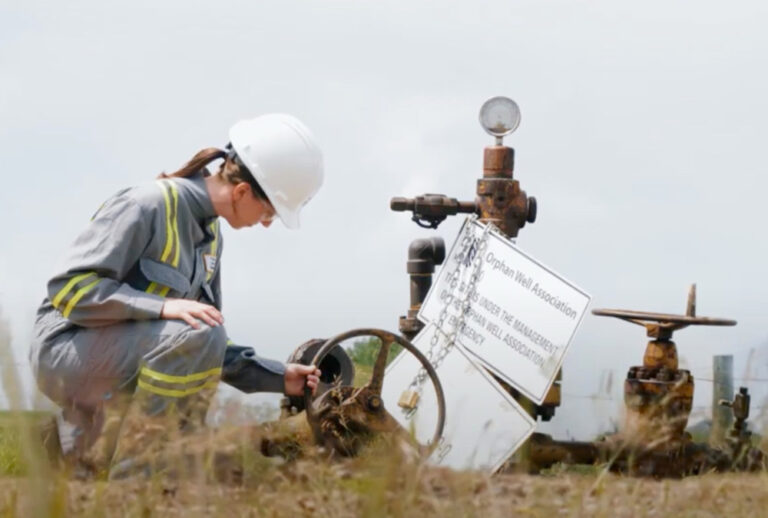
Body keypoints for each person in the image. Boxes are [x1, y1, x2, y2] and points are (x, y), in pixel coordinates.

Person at [29, 113, 324, 475]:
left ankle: (79, 447)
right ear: (243, 191)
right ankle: (141, 481)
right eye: (270, 211)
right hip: (65, 350)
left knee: (202, 333)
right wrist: (162, 306)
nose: (266, 223)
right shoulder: (147, 204)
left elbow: (201, 340)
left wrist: (278, 377)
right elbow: (71, 290)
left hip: (117, 361)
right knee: (199, 333)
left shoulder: (212, 239)